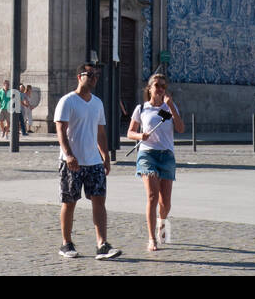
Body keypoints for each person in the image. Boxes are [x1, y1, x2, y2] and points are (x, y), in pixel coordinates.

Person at [54, 63, 121, 260]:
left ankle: (102, 245)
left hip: (94, 162)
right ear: (79, 76)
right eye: (90, 74)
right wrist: (68, 155)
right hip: (72, 162)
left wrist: (106, 156)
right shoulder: (67, 101)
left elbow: (101, 132)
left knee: (99, 201)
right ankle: (66, 244)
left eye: (96, 75)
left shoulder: (97, 103)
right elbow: (61, 130)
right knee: (70, 202)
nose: (93, 78)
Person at [127, 73, 184, 251]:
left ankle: (162, 222)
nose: (160, 89)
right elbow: (130, 132)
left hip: (166, 155)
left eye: (163, 86)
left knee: (165, 203)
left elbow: (181, 129)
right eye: (157, 85)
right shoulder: (141, 109)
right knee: (152, 196)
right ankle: (152, 238)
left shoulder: (170, 107)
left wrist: (171, 106)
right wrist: (140, 135)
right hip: (147, 154)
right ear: (149, 88)